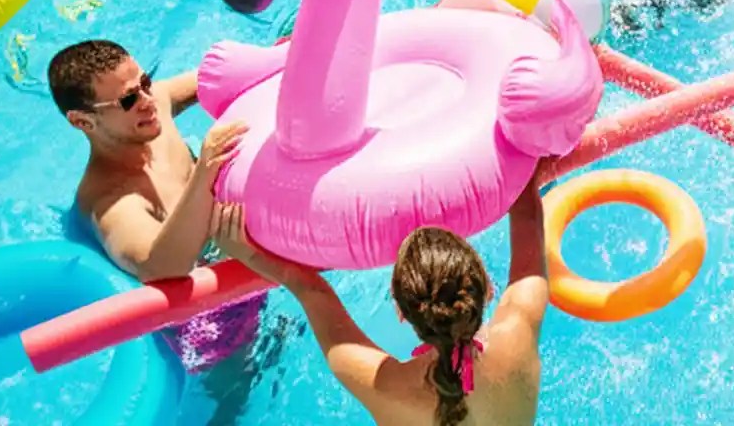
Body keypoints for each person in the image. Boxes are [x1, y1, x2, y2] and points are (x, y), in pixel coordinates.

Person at [214, 167, 550, 426]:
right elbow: (528, 218)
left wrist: (244, 252)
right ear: (487, 287)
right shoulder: (518, 331)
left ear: (400, 312)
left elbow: (311, 290)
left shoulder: (383, 387)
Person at [48, 39, 271, 421]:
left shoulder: (153, 109)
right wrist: (206, 170)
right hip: (205, 316)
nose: (148, 100)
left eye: (146, 82)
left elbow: (220, 75)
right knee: (237, 398)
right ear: (83, 122)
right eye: (128, 99)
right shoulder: (110, 202)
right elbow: (160, 266)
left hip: (233, 256)